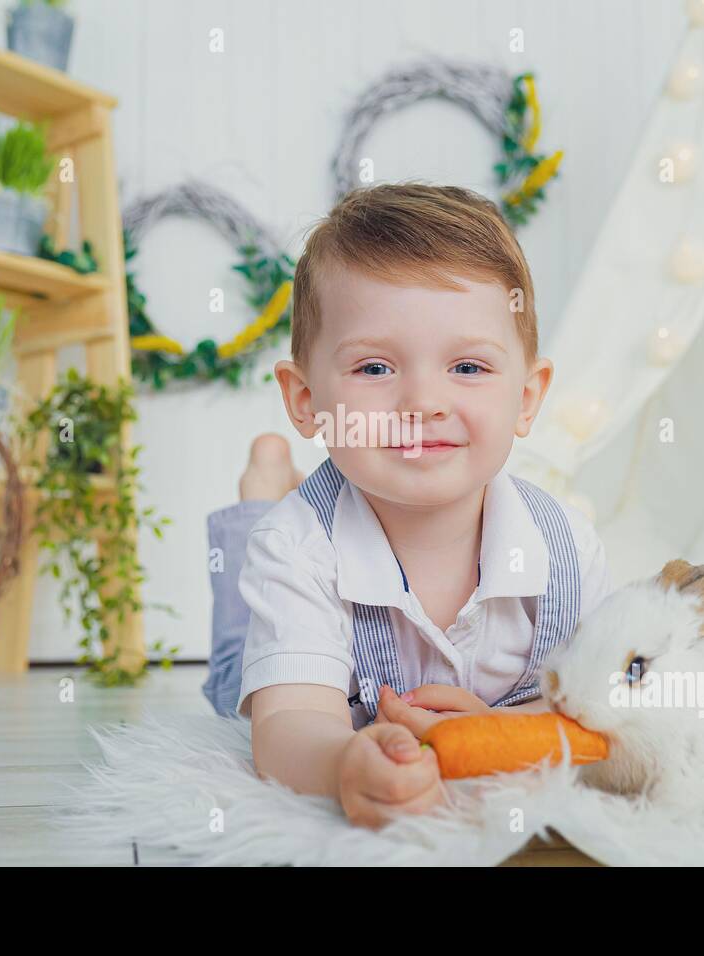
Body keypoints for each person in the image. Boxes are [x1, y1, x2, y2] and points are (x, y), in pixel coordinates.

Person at [202, 183, 610, 828]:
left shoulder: (566, 548)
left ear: (527, 399)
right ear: (307, 401)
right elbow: (288, 725)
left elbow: (592, 717)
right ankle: (261, 493)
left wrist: (494, 732)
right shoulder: (296, 547)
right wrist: (345, 763)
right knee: (233, 668)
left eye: (469, 367)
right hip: (290, 601)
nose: (423, 401)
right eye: (374, 369)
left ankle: (273, 480)